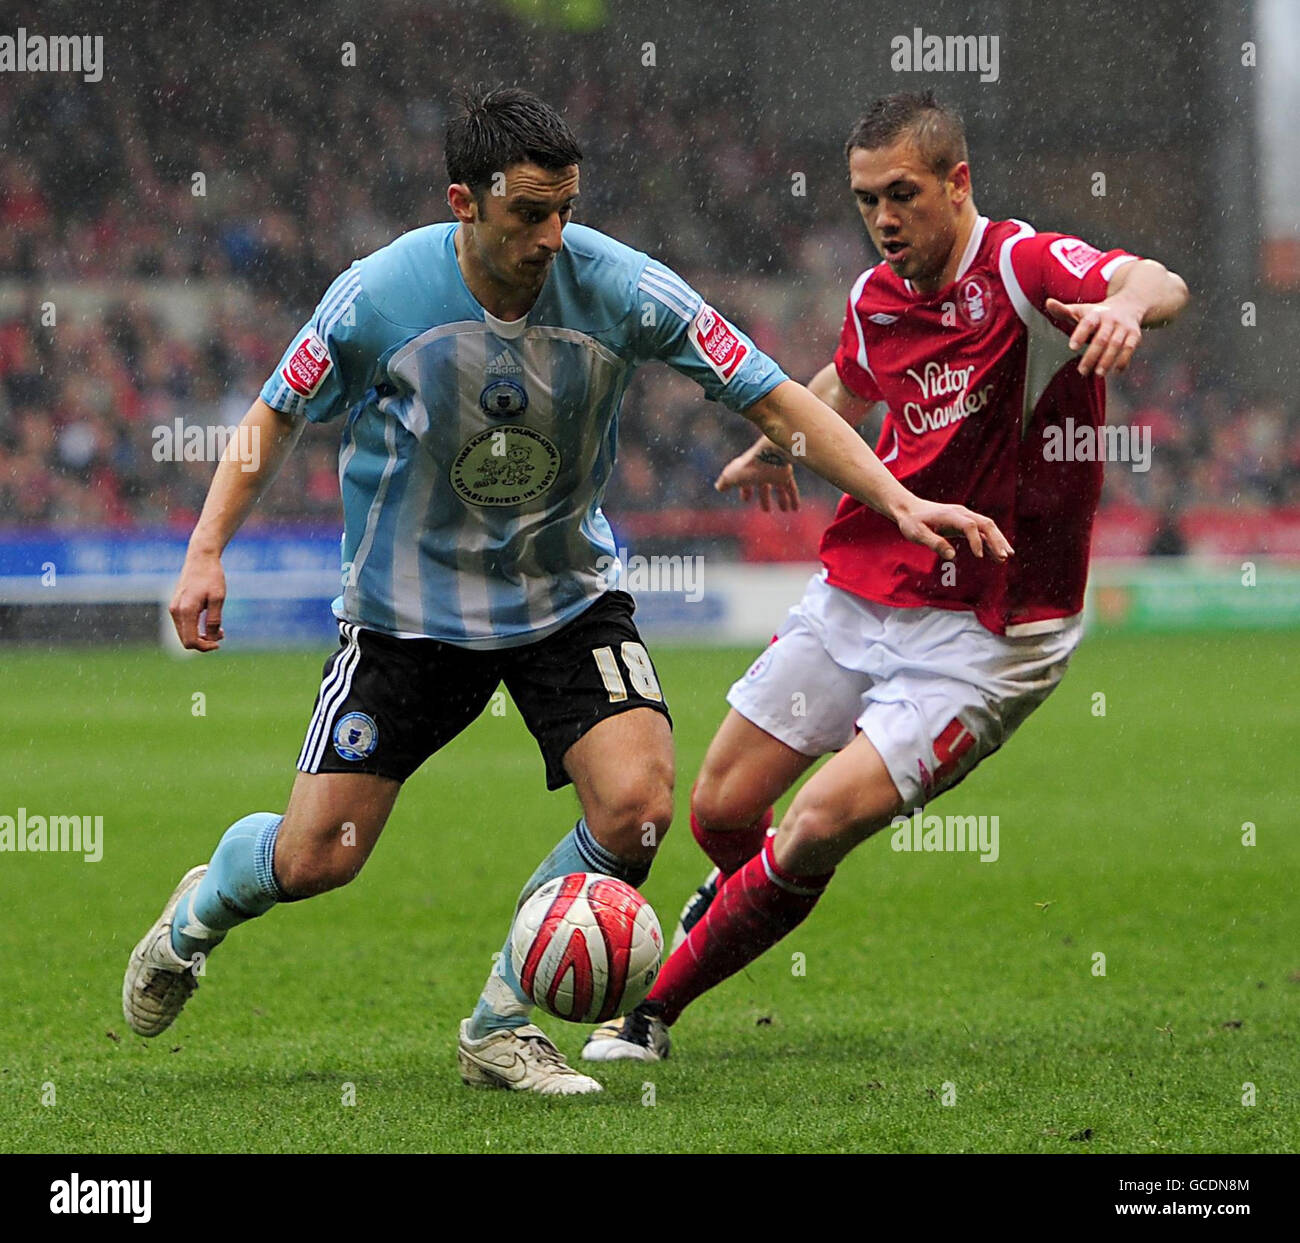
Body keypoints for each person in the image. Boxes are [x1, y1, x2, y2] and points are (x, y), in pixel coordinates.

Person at [122, 86, 1010, 1095]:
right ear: (464, 201)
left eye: (565, 211)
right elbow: (271, 416)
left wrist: (895, 498)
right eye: (527, 215)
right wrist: (204, 550)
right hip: (406, 618)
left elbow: (771, 393)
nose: (553, 236)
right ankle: (196, 917)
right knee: (317, 855)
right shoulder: (378, 296)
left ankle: (500, 1020)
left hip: (563, 597)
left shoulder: (622, 288)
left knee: (636, 805)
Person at [584, 90, 1188, 1063]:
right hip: (866, 587)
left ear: (957, 183)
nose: (882, 218)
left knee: (819, 818)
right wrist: (782, 441)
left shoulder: (1025, 269)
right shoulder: (878, 296)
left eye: (901, 193)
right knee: (720, 810)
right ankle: (750, 892)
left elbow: (1154, 278)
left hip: (990, 635)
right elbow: (844, 386)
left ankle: (650, 1012)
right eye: (866, 199)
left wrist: (1121, 305)